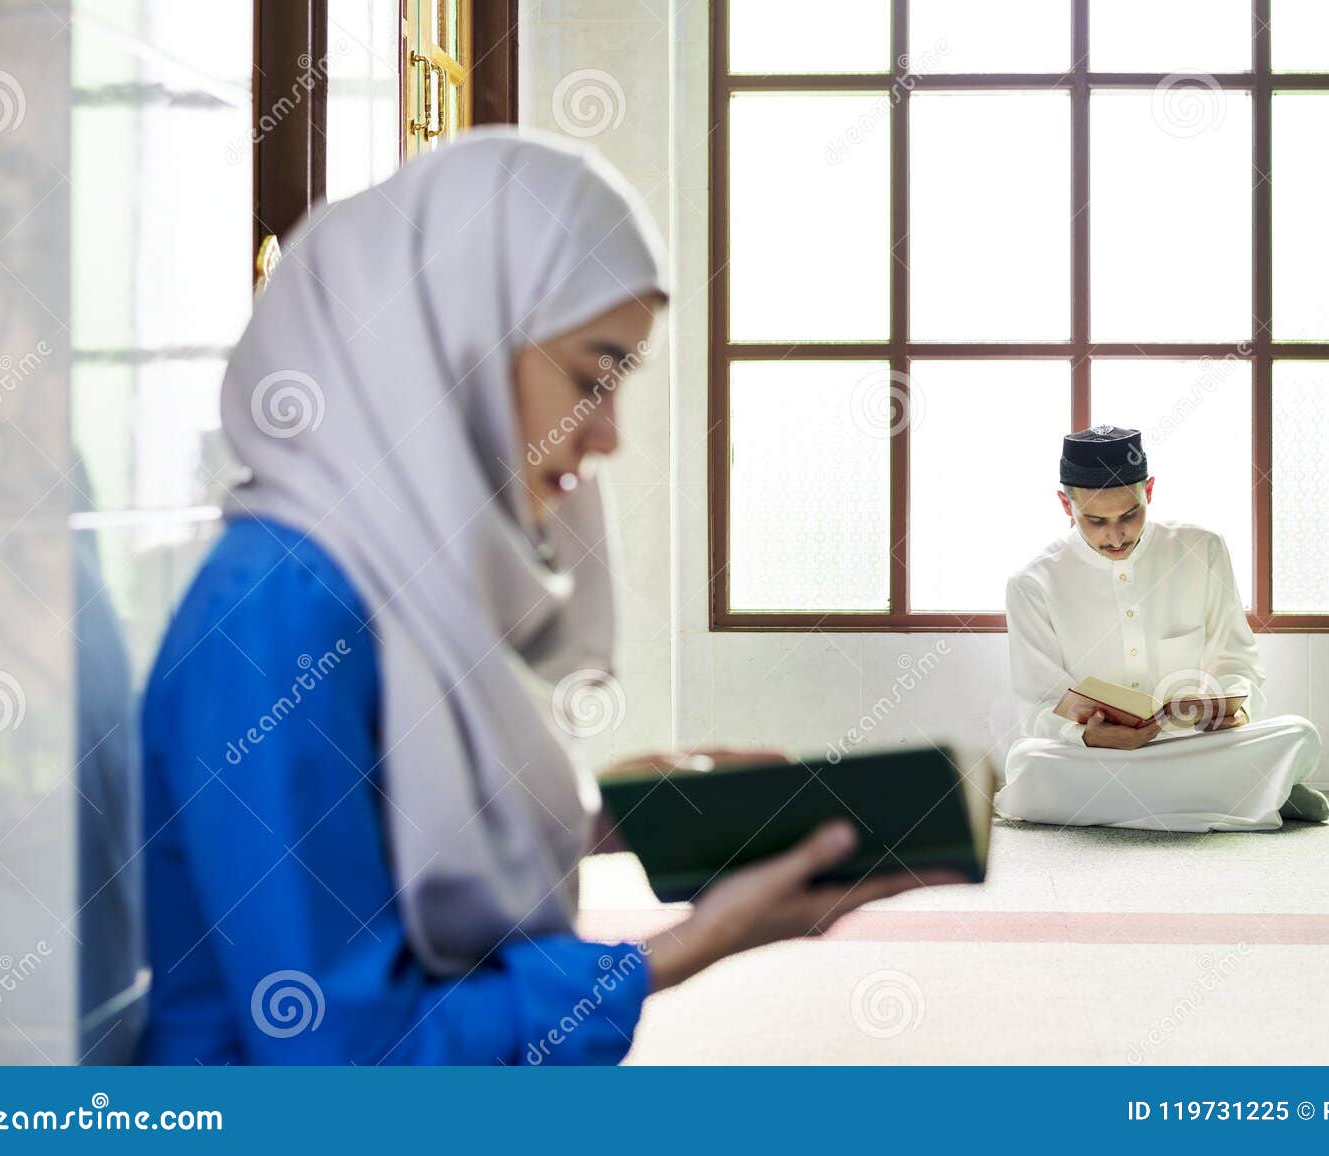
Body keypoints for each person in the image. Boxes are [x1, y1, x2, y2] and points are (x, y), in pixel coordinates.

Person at [138, 131, 953, 1065]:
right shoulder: (279, 609)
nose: (607, 434)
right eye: (589, 376)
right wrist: (683, 950)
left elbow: (392, 857)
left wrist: (628, 817)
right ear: (456, 345)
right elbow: (344, 1059)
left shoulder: (381, 576)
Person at [994, 425, 1329, 832]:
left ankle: (1212, 791)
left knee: (1299, 733)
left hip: (1193, 744)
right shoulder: (1032, 583)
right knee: (1030, 764)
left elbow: (1237, 661)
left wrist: (1235, 710)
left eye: (1129, 515)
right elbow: (1038, 706)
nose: (1115, 535)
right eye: (1095, 520)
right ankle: (1257, 792)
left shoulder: (1202, 548)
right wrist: (1087, 736)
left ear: (1148, 492)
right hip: (1097, 756)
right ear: (1066, 504)